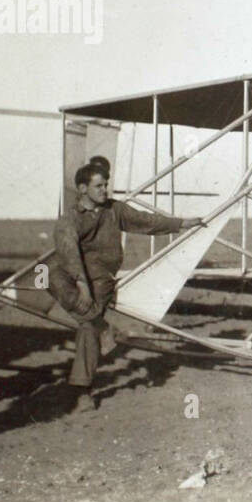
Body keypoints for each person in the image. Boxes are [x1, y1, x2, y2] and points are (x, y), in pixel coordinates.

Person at [48, 163, 201, 411]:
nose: (105, 190)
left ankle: (82, 390)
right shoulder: (70, 218)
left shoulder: (114, 210)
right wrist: (80, 283)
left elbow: (146, 221)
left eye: (106, 185)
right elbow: (69, 253)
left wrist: (180, 223)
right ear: (82, 188)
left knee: (86, 325)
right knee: (45, 275)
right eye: (99, 185)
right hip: (76, 275)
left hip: (101, 277)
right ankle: (103, 326)